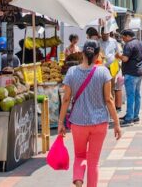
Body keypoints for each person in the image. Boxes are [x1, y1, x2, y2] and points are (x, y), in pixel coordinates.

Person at [58, 41, 121, 187]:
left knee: (80, 156)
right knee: (94, 162)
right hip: (99, 123)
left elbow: (66, 99)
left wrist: (61, 123)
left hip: (78, 123)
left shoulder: (72, 71)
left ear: (82, 53)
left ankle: (79, 180)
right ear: (98, 55)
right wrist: (117, 124)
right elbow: (109, 99)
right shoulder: (103, 71)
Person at [117, 30, 142, 126]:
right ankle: (135, 116)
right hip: (139, 72)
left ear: (128, 36)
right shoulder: (139, 43)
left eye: (123, 37)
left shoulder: (129, 45)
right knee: (137, 95)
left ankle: (129, 119)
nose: (123, 40)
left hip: (131, 73)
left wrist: (118, 56)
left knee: (130, 96)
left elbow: (125, 58)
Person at [100, 29, 123, 112]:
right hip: (102, 67)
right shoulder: (99, 42)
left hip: (112, 67)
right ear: (101, 33)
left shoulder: (114, 41)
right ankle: (104, 106)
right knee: (102, 87)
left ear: (109, 33)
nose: (105, 36)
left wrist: (118, 64)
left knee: (111, 87)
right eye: (103, 34)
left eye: (106, 34)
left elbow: (119, 52)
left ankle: (111, 107)